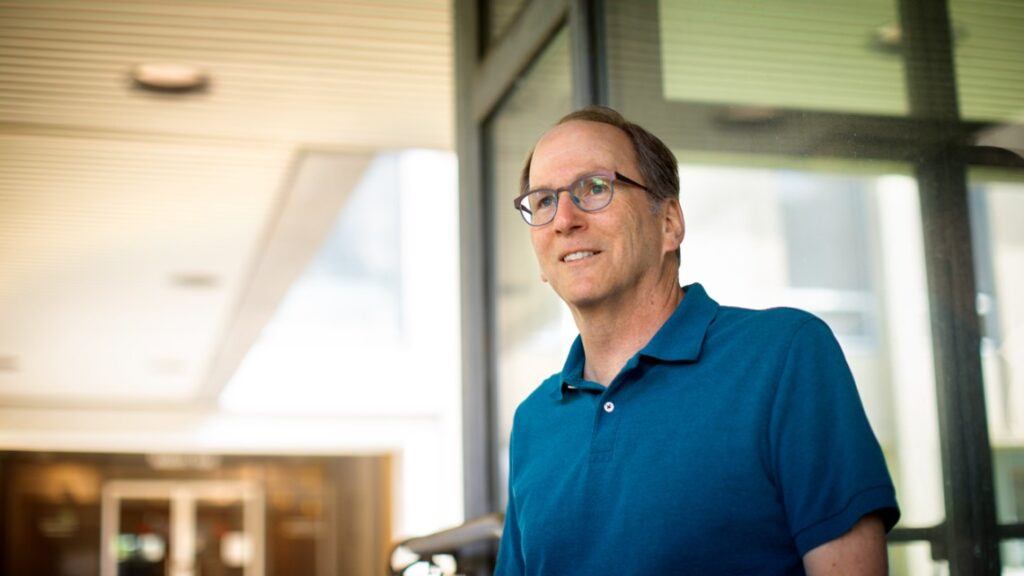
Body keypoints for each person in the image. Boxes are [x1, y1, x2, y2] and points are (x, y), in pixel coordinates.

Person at [494, 106, 900, 575]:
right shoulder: (534, 421)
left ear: (669, 223)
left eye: (595, 188)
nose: (564, 218)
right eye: (543, 201)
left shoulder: (785, 356)